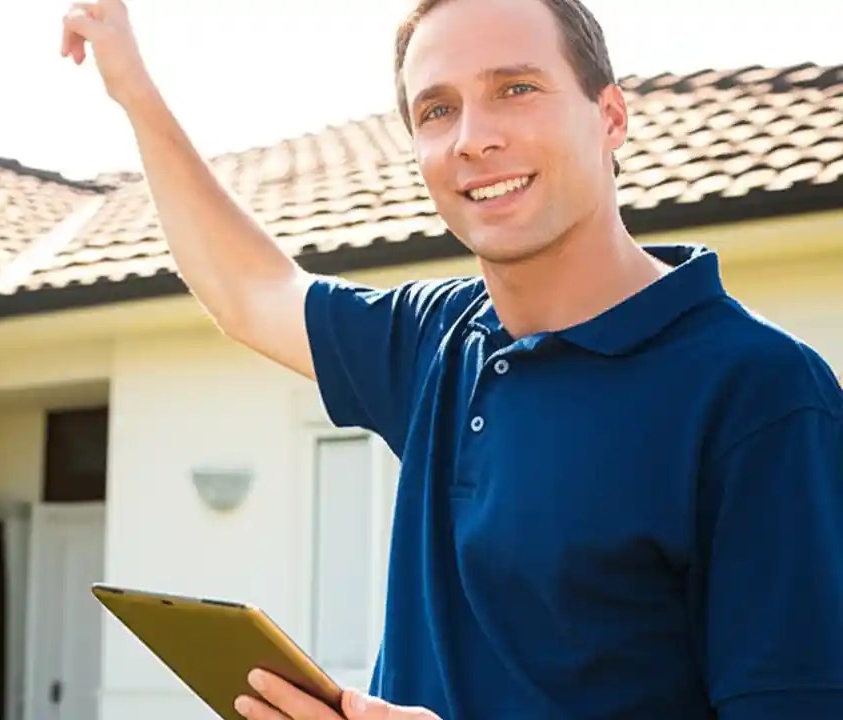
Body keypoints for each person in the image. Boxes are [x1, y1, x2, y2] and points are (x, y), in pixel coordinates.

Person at [59, 0, 843, 717]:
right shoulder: (440, 338)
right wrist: (132, 89)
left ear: (610, 117)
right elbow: (250, 291)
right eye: (438, 110)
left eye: (516, 89)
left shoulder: (760, 394)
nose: (473, 137)